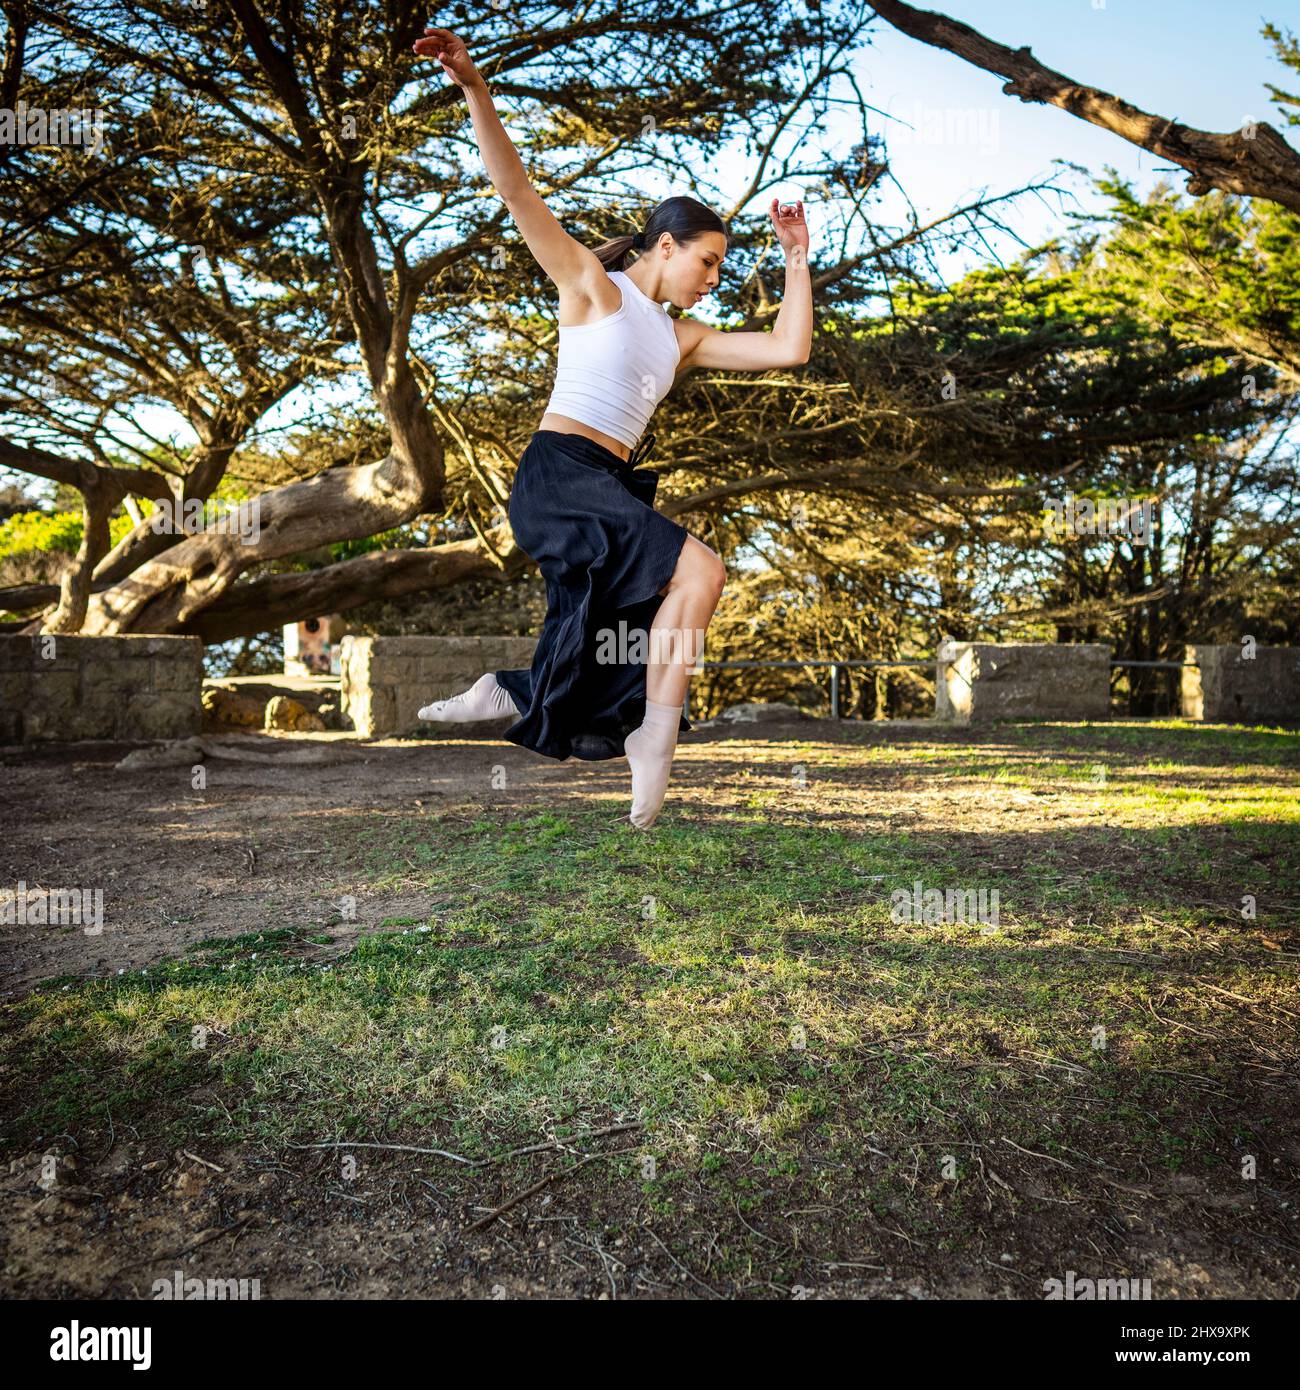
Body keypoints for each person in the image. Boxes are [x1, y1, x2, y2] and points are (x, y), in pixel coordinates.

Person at [411, 26, 812, 828]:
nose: (712, 280)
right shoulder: (594, 289)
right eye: (707, 264)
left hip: (601, 484)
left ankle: (515, 692)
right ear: (665, 246)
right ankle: (652, 741)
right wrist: (476, 92)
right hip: (558, 476)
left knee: (619, 628)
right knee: (701, 571)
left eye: (723, 270)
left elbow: (788, 348)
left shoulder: (680, 337)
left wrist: (796, 259)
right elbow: (520, 195)